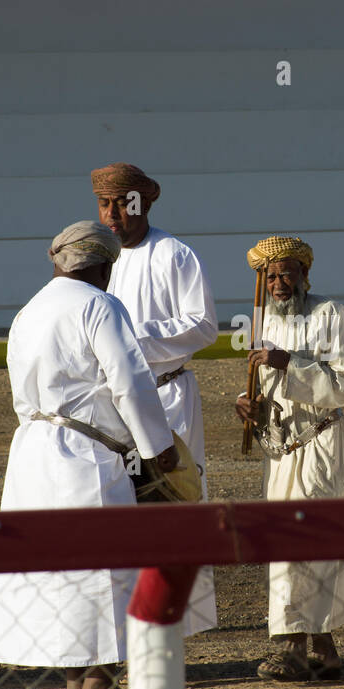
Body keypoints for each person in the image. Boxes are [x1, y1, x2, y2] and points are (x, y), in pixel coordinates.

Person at [0, 221, 177, 689]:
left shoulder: (29, 310)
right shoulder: (99, 305)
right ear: (103, 264)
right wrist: (158, 448)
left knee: (59, 572)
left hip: (33, 452)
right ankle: (95, 686)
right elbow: (130, 382)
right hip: (83, 456)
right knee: (102, 569)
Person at [94, 162, 218, 634]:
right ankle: (125, 630)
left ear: (142, 202)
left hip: (167, 399)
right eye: (104, 204)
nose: (112, 215)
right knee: (122, 512)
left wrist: (129, 340)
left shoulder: (174, 254)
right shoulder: (96, 257)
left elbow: (204, 325)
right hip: (111, 407)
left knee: (172, 507)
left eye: (121, 203)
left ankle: (173, 629)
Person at [236, 236, 344, 681]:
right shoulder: (260, 319)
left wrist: (288, 361)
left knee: (306, 545)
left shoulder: (328, 314)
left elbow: (343, 386)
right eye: (270, 276)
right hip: (280, 451)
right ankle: (325, 650)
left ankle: (291, 648)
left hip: (321, 443)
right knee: (287, 546)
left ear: (305, 275)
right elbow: (261, 387)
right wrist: (247, 405)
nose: (278, 283)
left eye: (286, 274)